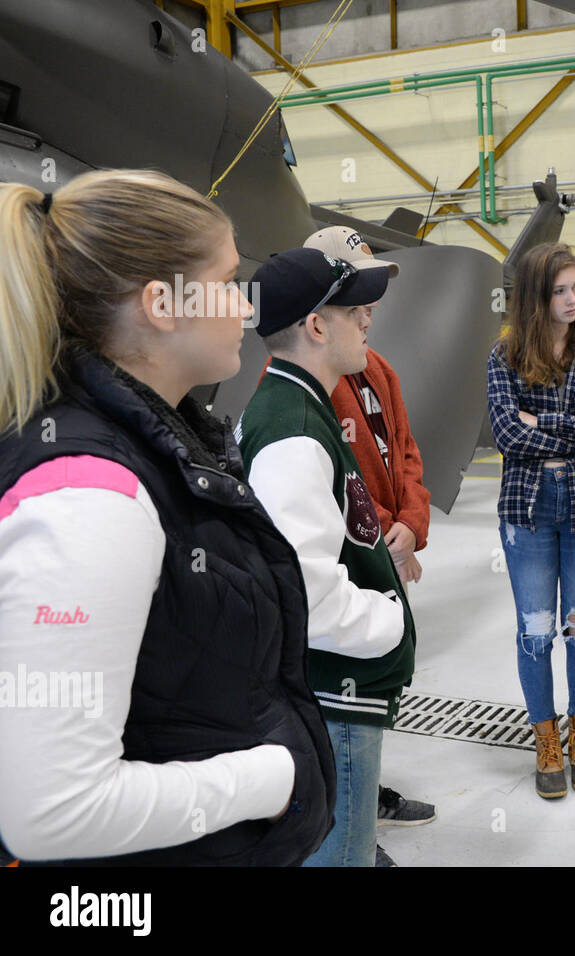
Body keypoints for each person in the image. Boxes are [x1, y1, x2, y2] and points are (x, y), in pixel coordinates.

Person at [0, 171, 334, 865]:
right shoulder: (91, 501)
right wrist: (270, 779)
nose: (246, 308)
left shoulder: (167, 446)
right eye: (229, 279)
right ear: (162, 304)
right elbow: (53, 813)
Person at [237, 247, 416, 867]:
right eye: (354, 310)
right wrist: (390, 622)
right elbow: (308, 599)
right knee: (342, 857)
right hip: (335, 695)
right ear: (317, 325)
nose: (368, 320)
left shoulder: (302, 407)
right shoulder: (293, 430)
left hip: (335, 689)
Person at [302, 226, 436, 834]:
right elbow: (340, 475)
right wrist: (384, 535)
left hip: (387, 551)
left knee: (373, 698)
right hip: (352, 562)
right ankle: (342, 820)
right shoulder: (308, 384)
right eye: (358, 301)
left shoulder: (377, 367)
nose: (370, 313)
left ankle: (362, 793)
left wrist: (411, 524)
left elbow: (404, 450)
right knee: (338, 700)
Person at [486, 242, 575, 799]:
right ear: (534, 298)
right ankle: (546, 739)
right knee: (535, 632)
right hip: (527, 511)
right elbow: (506, 434)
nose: (572, 300)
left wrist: (541, 420)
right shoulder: (503, 357)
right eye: (560, 291)